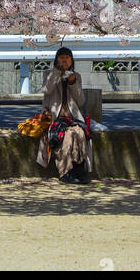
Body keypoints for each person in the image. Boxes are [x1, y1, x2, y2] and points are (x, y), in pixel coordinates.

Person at [37, 47, 91, 184]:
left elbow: (81, 100)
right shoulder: (48, 73)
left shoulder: (76, 75)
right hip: (55, 118)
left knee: (79, 133)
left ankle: (79, 171)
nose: (64, 59)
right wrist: (57, 72)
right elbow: (46, 90)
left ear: (72, 60)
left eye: (67, 57)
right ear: (56, 60)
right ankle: (65, 172)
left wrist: (73, 82)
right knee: (66, 136)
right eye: (61, 57)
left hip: (72, 119)